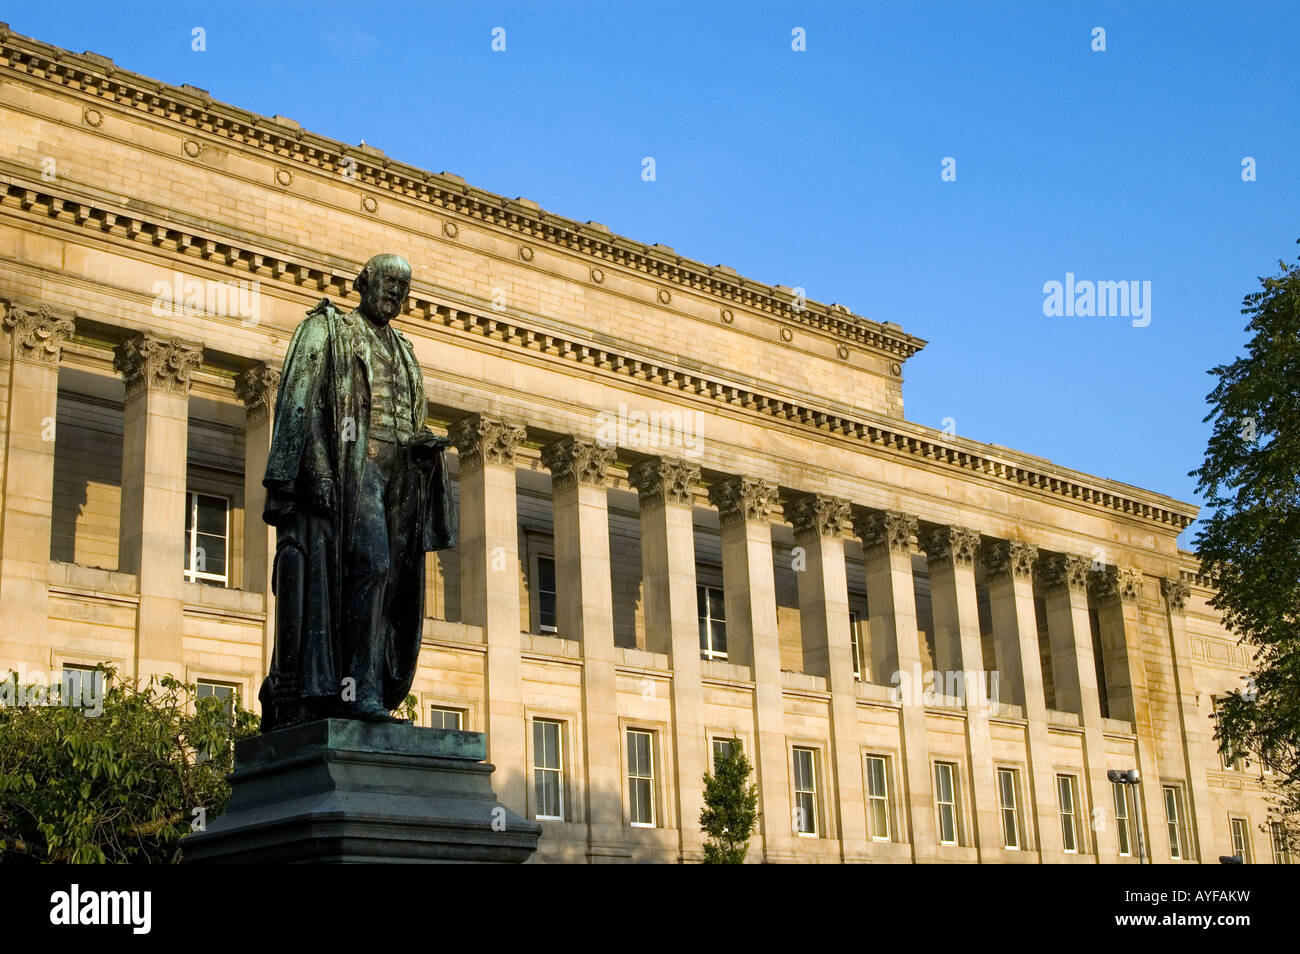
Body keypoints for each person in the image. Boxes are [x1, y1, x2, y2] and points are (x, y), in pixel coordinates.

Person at [257, 253, 455, 731]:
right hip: (353, 469)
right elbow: (300, 401)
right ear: (364, 282)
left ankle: (370, 687)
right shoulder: (329, 329)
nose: (395, 294)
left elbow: (410, 413)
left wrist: (424, 444)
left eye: (403, 288)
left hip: (401, 478)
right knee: (373, 565)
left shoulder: (404, 349)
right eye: (389, 283)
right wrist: (315, 470)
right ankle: (357, 689)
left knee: (393, 585)